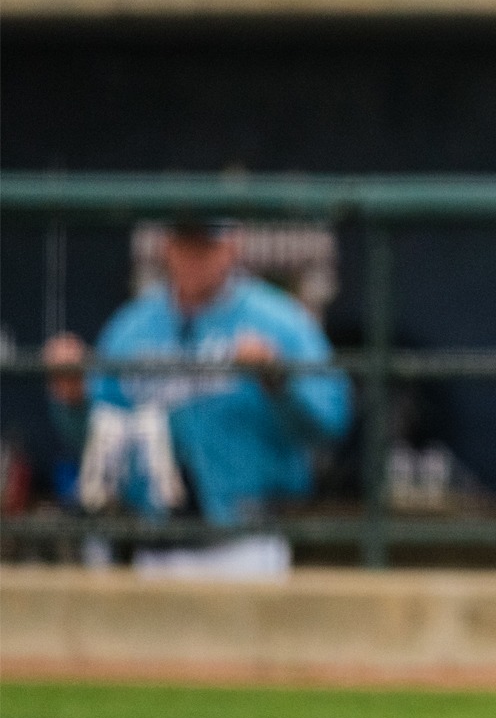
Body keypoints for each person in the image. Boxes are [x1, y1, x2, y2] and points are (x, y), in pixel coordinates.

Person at [46, 220, 351, 544]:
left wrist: (279, 384)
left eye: (206, 248)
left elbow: (331, 421)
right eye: (185, 246)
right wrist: (74, 398)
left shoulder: (280, 322)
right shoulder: (130, 329)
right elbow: (97, 440)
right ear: (167, 247)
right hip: (154, 537)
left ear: (233, 245)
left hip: (252, 535)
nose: (194, 259)